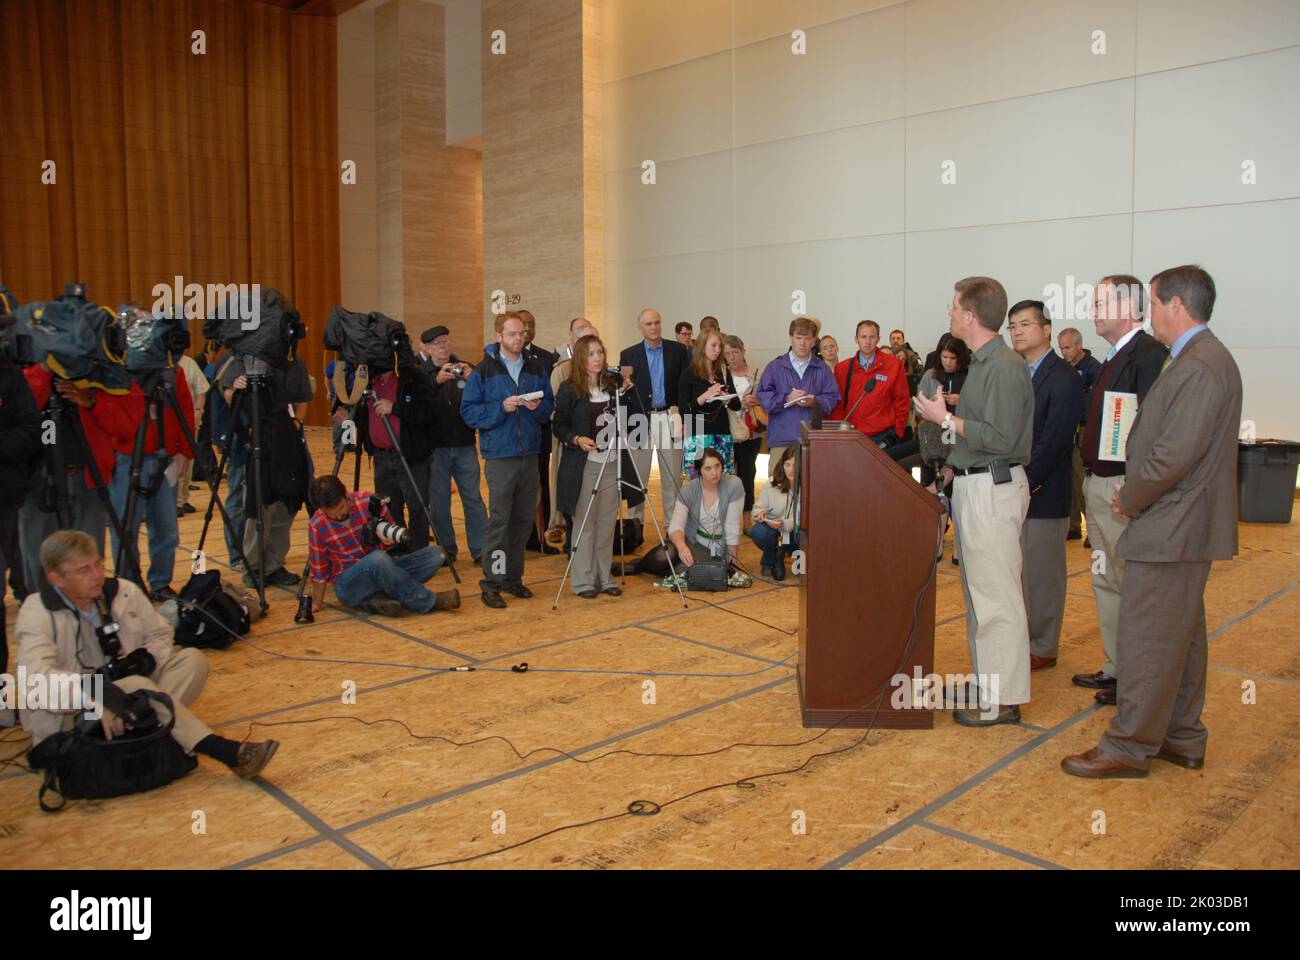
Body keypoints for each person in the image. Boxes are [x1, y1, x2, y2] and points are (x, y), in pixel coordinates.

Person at [1062, 265, 1241, 778]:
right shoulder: (1197, 359)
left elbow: (1173, 455)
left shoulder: (1200, 365)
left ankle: (1129, 744)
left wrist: (1130, 497)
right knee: (1181, 636)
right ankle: (1181, 735)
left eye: (1155, 303)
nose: (1151, 312)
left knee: (1145, 638)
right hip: (1180, 523)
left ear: (1177, 307)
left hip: (1171, 523)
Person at [15, 530, 278, 777]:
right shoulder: (36, 612)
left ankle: (148, 728)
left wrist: (147, 657)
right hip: (74, 717)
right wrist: (94, 693)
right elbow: (35, 682)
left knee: (192, 661)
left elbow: (160, 634)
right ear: (56, 579)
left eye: (98, 564)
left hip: (128, 698)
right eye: (84, 570)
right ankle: (225, 751)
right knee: (137, 686)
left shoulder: (122, 592)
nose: (97, 575)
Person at [914, 276, 1033, 727]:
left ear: (970, 315)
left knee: (996, 598)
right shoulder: (983, 364)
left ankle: (1003, 698)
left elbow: (1000, 436)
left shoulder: (1003, 365)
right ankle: (990, 681)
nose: (949, 313)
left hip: (993, 487)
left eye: (953, 306)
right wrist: (949, 465)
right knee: (980, 595)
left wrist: (944, 417)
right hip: (974, 482)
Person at [1074, 275, 1168, 705]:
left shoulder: (1148, 354)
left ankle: (1137, 676)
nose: (1092, 310)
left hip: (1120, 489)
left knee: (1127, 579)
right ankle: (1115, 667)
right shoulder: (1111, 356)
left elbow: (1151, 425)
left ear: (1129, 307)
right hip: (1096, 486)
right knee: (1103, 577)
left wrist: (1135, 488)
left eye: (1100, 302)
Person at [460, 312, 555, 608]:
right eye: (513, 334)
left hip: (529, 453)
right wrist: (500, 408)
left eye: (522, 333)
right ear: (499, 336)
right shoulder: (483, 371)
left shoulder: (536, 367)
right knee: (500, 522)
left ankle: (514, 578)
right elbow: (470, 413)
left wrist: (538, 408)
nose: (519, 338)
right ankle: (493, 582)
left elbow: (549, 406)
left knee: (523, 520)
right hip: (500, 456)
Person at [1008, 300, 1083, 672]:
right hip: (1016, 487)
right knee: (1020, 572)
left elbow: (1054, 441)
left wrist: (1023, 480)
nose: (1018, 331)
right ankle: (1024, 639)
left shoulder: (1064, 377)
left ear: (1047, 329)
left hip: (1043, 491)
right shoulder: (1020, 372)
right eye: (1013, 326)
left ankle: (1044, 644)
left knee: (1042, 574)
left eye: (1025, 324)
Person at [18, 364, 134, 596]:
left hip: (88, 479)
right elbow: (18, 409)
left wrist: (91, 402)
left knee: (87, 562)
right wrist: (44, 368)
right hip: (37, 481)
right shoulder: (23, 360)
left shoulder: (100, 362)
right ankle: (46, 617)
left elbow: (127, 424)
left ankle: (91, 618)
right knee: (41, 563)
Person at [219, 352, 314, 589]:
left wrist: (297, 421)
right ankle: (252, 565)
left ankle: (274, 564)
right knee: (257, 507)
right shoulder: (241, 358)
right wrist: (237, 388)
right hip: (253, 440)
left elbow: (302, 397)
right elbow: (227, 395)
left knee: (285, 504)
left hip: (286, 439)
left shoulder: (294, 361)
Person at [307, 476, 459, 617]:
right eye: (331, 514)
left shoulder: (370, 502)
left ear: (346, 494)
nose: (339, 516)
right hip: (349, 583)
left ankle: (378, 598)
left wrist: (388, 541)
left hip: (383, 565)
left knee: (436, 555)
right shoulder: (317, 524)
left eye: (341, 508)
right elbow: (319, 570)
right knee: (377, 560)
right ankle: (428, 601)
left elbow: (391, 532)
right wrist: (316, 603)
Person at [107, 363, 195, 603]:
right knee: (125, 528)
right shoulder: (117, 365)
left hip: (165, 457)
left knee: (166, 528)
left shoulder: (171, 369)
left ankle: (161, 583)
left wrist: (185, 450)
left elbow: (185, 408)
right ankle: (128, 585)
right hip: (125, 457)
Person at [553, 335, 625, 598]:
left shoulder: (612, 388)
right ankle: (582, 581)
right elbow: (559, 425)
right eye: (592, 354)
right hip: (584, 465)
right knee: (585, 524)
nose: (597, 359)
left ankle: (603, 577)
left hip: (611, 463)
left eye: (600, 353)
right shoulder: (570, 389)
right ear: (582, 358)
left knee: (607, 524)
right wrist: (576, 438)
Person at [420, 326, 488, 566]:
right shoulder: (421, 374)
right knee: (439, 502)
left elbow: (485, 395)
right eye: (437, 343)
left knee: (473, 498)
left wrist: (473, 378)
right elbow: (417, 404)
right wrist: (436, 381)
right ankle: (446, 549)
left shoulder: (466, 367)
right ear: (426, 349)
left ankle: (480, 548)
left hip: (465, 443)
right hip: (435, 448)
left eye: (446, 341)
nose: (443, 347)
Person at [364, 342, 437, 551]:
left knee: (417, 507)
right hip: (381, 457)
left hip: (410, 455)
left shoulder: (413, 377)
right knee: (388, 508)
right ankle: (398, 549)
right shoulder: (370, 380)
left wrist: (395, 408)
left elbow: (428, 413)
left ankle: (420, 551)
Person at [620, 308, 690, 524]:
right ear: (640, 328)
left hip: (669, 417)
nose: (654, 327)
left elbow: (685, 386)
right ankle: (635, 527)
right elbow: (623, 392)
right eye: (648, 324)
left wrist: (685, 419)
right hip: (639, 419)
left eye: (657, 322)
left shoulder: (678, 351)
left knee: (672, 479)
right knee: (637, 478)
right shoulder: (628, 354)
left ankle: (673, 528)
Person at [0, 354, 41, 722]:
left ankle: (31, 692)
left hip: (9, 501)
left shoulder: (10, 377)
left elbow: (30, 433)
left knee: (29, 589)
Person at [756, 317, 840, 465]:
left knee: (813, 486)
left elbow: (833, 398)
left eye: (807, 338)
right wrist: (787, 398)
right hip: (782, 441)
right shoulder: (775, 367)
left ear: (814, 341)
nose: (802, 343)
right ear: (790, 338)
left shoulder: (822, 369)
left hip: (813, 441)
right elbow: (763, 398)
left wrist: (815, 401)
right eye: (798, 338)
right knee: (778, 486)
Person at [548, 320, 597, 540]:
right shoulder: (563, 372)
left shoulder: (604, 378)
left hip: (598, 449)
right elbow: (557, 414)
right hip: (570, 444)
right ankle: (566, 531)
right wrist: (574, 437)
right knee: (569, 489)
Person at [829, 320, 909, 450]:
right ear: (856, 339)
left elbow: (902, 400)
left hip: (884, 437)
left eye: (872, 337)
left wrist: (897, 432)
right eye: (863, 337)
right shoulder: (842, 369)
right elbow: (838, 405)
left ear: (878, 339)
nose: (867, 341)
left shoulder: (894, 365)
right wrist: (842, 433)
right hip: (853, 436)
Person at [1058, 327, 1103, 542]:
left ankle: (1091, 528)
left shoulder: (1094, 369)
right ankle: (1073, 524)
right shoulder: (1062, 369)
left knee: (1081, 477)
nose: (1064, 352)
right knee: (1068, 479)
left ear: (1078, 345)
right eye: (1061, 348)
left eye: (1067, 348)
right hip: (1066, 427)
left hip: (1085, 429)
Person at [678, 327, 741, 478]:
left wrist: (727, 398)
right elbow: (684, 410)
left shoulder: (723, 372)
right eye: (713, 345)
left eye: (720, 346)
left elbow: (737, 405)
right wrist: (705, 396)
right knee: (698, 483)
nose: (717, 350)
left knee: (723, 481)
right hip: (697, 433)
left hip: (721, 433)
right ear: (702, 346)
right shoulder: (688, 374)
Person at [669, 447, 743, 569]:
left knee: (702, 568)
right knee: (667, 553)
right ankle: (639, 567)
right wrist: (682, 547)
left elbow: (732, 526)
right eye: (708, 468)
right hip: (693, 543)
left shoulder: (734, 485)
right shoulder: (689, 490)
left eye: (717, 466)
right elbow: (676, 526)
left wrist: (733, 561)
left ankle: (675, 569)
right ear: (699, 471)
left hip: (718, 550)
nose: (714, 472)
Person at [722, 335, 765, 530]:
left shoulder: (757, 375)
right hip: (727, 431)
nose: (732, 357)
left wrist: (755, 401)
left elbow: (767, 399)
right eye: (728, 353)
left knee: (748, 475)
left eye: (735, 352)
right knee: (725, 477)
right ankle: (726, 521)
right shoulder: (721, 375)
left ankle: (747, 522)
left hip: (750, 433)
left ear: (743, 351)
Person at [748, 447, 799, 580]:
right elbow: (757, 509)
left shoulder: (809, 486)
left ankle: (787, 556)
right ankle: (773, 559)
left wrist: (785, 524)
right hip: (773, 530)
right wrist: (760, 515)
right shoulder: (771, 484)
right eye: (787, 465)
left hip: (795, 531)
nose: (791, 469)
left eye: (795, 465)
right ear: (782, 465)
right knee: (758, 531)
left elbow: (807, 517)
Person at [174, 352, 208, 516]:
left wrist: (198, 411)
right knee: (175, 464)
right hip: (172, 422)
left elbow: (201, 390)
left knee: (188, 463)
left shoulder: (189, 363)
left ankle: (183, 499)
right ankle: (175, 501)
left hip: (190, 421)